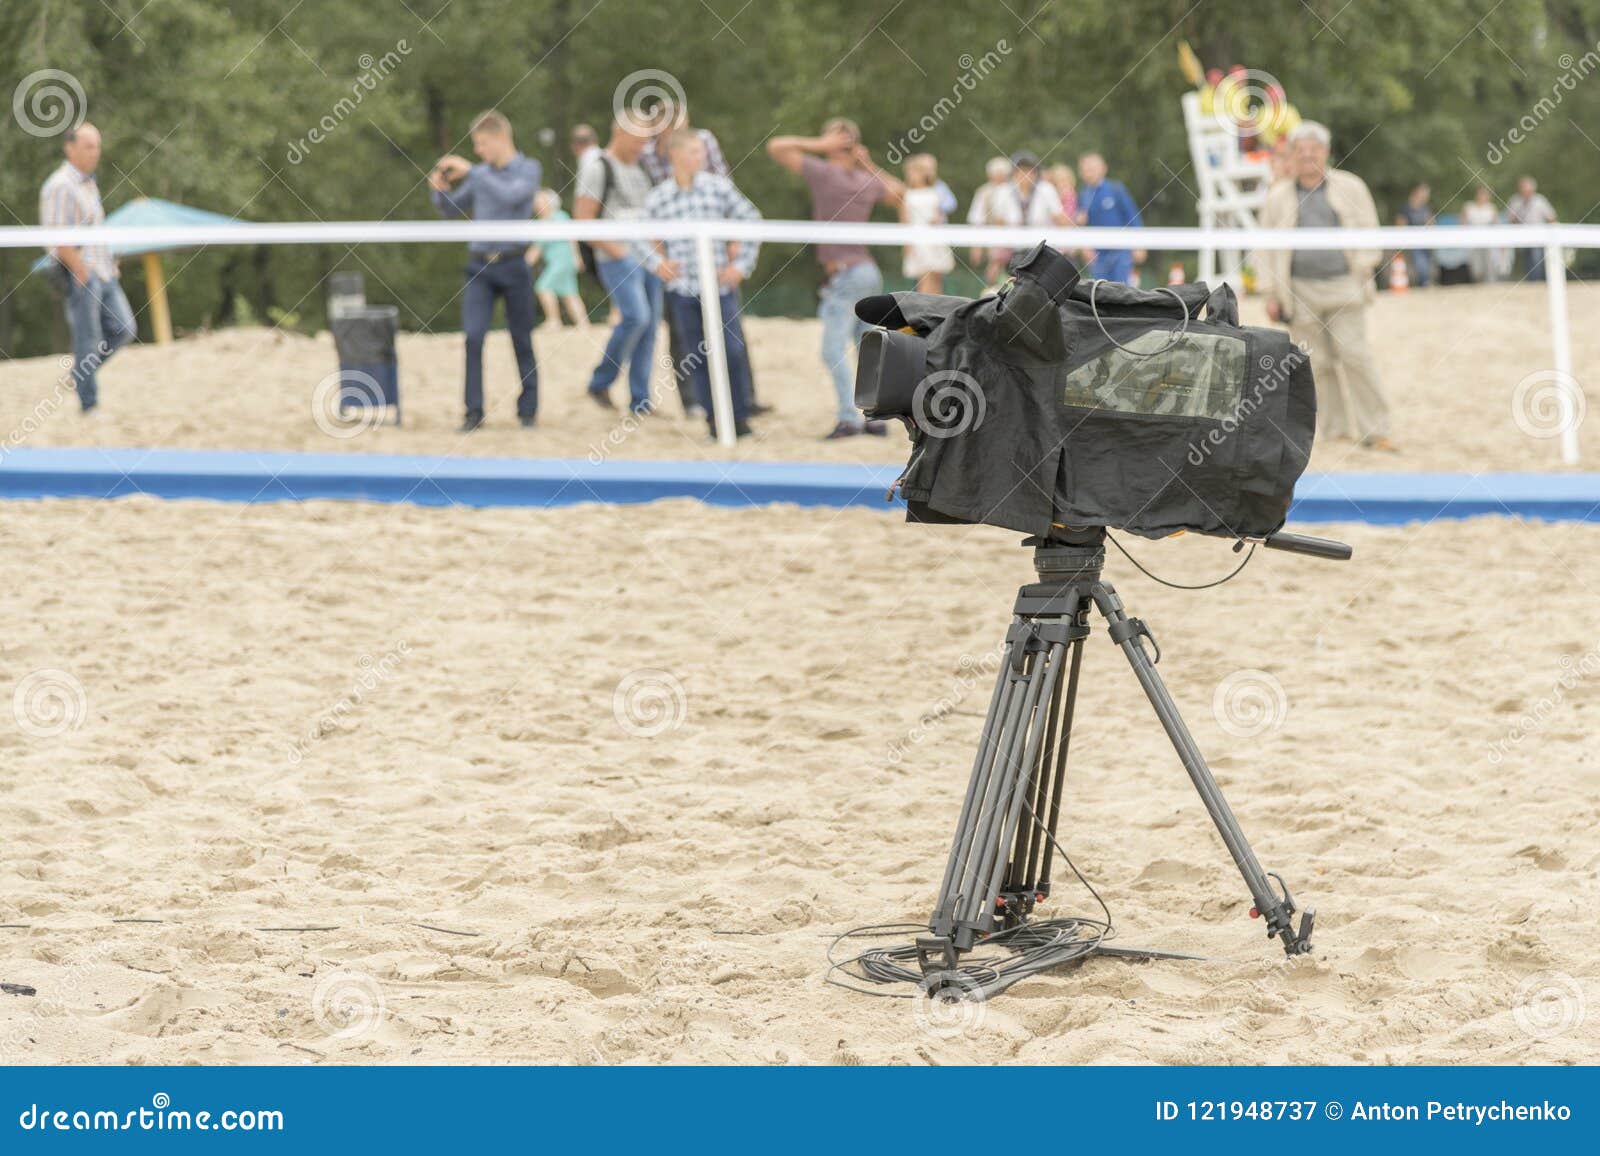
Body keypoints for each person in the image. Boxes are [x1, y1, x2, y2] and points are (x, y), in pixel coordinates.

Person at [1257, 121, 1393, 451]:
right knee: (1315, 363)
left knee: (1355, 355)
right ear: (1290, 154)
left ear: (1326, 152)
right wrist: (1271, 292)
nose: (1307, 155)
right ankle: (1335, 430)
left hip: (1344, 285)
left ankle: (1376, 430)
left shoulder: (1351, 186)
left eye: (1313, 148)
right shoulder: (1277, 196)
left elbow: (1370, 231)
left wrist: (1361, 266)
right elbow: (1262, 247)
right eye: (1300, 149)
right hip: (1298, 291)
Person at [767, 118, 905, 440]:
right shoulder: (863, 180)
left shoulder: (824, 173)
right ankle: (875, 418)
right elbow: (900, 194)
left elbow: (776, 146)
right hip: (868, 272)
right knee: (866, 346)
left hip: (845, 274)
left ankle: (848, 418)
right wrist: (866, 162)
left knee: (832, 350)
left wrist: (819, 145)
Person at [641, 128, 762, 440]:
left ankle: (740, 416)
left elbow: (751, 218)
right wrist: (658, 263)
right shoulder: (659, 197)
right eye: (694, 151)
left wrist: (741, 264)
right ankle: (713, 419)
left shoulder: (718, 188)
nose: (701, 157)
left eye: (701, 152)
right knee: (696, 356)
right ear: (676, 155)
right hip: (683, 290)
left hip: (719, 286)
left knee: (732, 351)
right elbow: (639, 236)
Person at [429, 110, 541, 431]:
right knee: (473, 337)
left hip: (515, 263)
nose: (478, 151)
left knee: (522, 338)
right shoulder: (481, 174)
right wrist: (438, 189)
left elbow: (512, 197)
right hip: (480, 264)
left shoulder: (528, 169)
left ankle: (528, 410)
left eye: (482, 143)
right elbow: (451, 210)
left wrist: (473, 172)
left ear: (500, 138)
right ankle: (473, 411)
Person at [39, 122, 136, 414]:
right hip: (81, 274)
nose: (95, 152)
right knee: (88, 338)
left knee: (124, 329)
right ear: (70, 148)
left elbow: (95, 228)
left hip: (104, 271)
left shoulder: (89, 182)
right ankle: (88, 403)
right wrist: (80, 271)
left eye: (97, 146)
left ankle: (81, 375)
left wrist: (109, 260)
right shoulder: (59, 185)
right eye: (88, 146)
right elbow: (57, 236)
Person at [575, 117, 661, 414]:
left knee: (649, 329)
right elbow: (583, 221)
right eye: (638, 139)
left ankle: (640, 400)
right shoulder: (598, 167)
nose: (643, 146)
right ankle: (601, 381)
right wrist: (619, 253)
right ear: (620, 132)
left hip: (649, 258)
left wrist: (658, 255)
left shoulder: (642, 169)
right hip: (617, 258)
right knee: (636, 317)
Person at [1076, 152, 1144, 285]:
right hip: (1097, 256)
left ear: (1103, 168)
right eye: (1086, 169)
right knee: (1099, 291)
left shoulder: (1116, 189)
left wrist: (1139, 245)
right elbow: (1079, 227)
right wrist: (1085, 247)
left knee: (1122, 290)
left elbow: (1133, 216)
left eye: (1093, 168)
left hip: (1121, 252)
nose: (1089, 172)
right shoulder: (1083, 195)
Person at [527, 189, 588, 328]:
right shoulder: (542, 222)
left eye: (540, 200)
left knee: (543, 287)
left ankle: (554, 321)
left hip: (562, 261)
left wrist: (577, 257)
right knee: (569, 292)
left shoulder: (559, 217)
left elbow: (571, 239)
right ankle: (583, 323)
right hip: (560, 262)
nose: (536, 204)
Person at [901, 154, 954, 294]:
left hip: (935, 240)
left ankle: (938, 311)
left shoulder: (934, 191)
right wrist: (907, 245)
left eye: (915, 172)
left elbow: (940, 213)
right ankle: (924, 312)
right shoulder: (908, 194)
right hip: (919, 242)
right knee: (925, 278)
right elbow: (905, 221)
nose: (911, 176)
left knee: (937, 277)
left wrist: (937, 219)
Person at [966, 156, 1014, 285]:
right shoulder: (983, 192)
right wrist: (976, 247)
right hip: (993, 239)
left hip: (1013, 238)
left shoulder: (1013, 190)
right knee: (994, 268)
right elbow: (977, 219)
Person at [1507, 175, 1557, 282]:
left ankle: (1536, 281)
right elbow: (1511, 220)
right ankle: (1527, 281)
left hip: (1538, 236)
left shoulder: (1540, 200)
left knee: (1536, 258)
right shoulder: (1515, 201)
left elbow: (1551, 217)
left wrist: (1553, 234)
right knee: (1524, 260)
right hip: (1521, 237)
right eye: (1523, 189)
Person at [1394, 183, 1434, 288]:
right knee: (1420, 262)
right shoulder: (1405, 209)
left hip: (1425, 242)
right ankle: (1424, 282)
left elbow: (1431, 223)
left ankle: (1424, 282)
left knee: (1425, 262)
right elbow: (1400, 225)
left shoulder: (1425, 209)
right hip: (1412, 243)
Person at [1461, 185, 1503, 283]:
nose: (1483, 196)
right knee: (1476, 269)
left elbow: (1496, 225)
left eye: (1486, 194)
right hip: (1473, 242)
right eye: (1481, 194)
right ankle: (1478, 285)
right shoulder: (1469, 207)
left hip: (1488, 242)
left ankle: (1490, 286)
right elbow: (1463, 224)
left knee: (1489, 266)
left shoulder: (1491, 208)